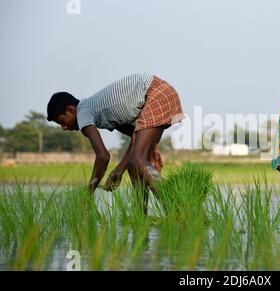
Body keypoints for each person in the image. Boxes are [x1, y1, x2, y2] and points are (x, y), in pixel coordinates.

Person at [47, 73, 184, 214]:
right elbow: (134, 136)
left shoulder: (83, 113)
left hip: (156, 93)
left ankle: (179, 210)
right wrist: (119, 170)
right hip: (162, 92)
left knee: (138, 159)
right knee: (134, 164)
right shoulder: (101, 112)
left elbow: (103, 157)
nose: (63, 127)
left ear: (70, 110)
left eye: (61, 121)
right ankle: (140, 217)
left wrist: (89, 192)